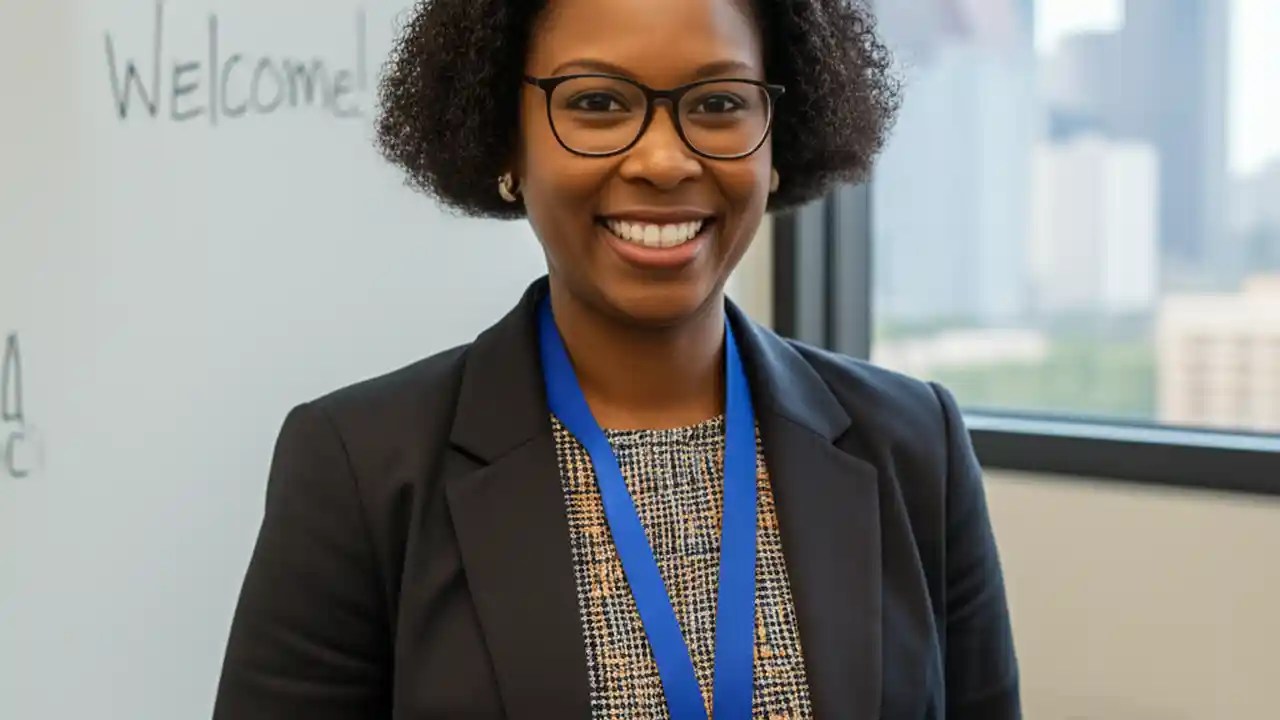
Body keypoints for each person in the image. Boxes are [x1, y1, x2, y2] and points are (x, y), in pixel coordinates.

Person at [213, 0, 1020, 717]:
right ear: (506, 142)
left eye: (718, 103)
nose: (664, 161)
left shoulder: (916, 446)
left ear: (779, 144)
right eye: (597, 102)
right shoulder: (359, 469)